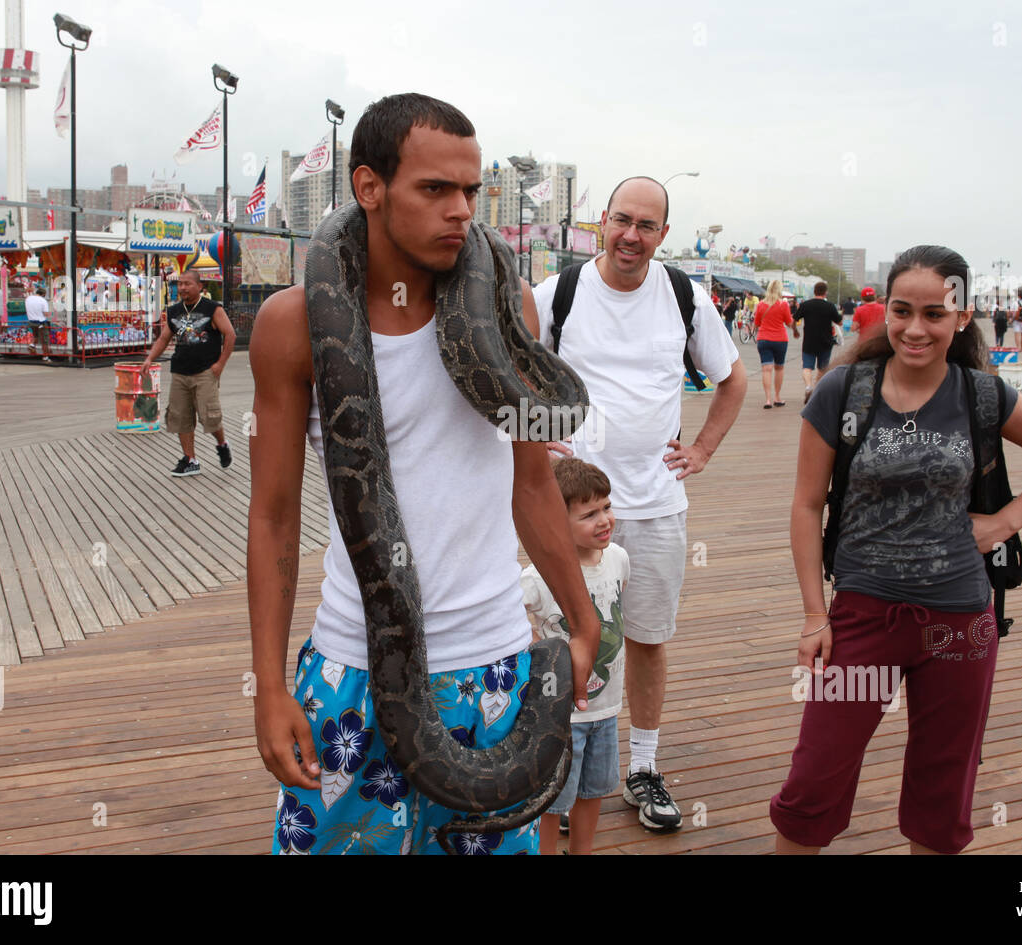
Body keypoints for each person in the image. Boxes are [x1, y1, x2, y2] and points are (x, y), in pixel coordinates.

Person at [247, 92, 599, 856]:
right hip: (350, 669)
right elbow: (272, 515)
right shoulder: (291, 323)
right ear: (369, 188)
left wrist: (582, 616)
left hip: (496, 664)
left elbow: (532, 482)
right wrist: (270, 685)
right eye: (435, 190)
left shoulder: (513, 315)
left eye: (470, 191)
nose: (461, 211)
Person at [771, 244, 1022, 855]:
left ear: (961, 317)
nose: (915, 329)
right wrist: (816, 614)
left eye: (934, 314)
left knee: (943, 792)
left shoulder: (982, 395)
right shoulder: (843, 391)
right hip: (863, 616)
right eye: (901, 311)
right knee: (814, 781)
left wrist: (1002, 523)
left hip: (960, 623)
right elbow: (807, 506)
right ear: (884, 311)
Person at [531, 175, 746, 831]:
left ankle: (643, 768)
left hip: (653, 504)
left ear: (662, 234)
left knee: (647, 637)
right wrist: (534, 444)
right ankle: (561, 772)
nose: (631, 235)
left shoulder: (685, 296)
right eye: (622, 220)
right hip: (567, 506)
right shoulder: (557, 292)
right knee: (559, 633)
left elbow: (732, 378)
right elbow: (509, 373)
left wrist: (703, 447)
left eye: (646, 225)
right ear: (601, 221)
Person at [522, 458, 628, 855]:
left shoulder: (618, 559)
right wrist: (534, 639)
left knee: (595, 789)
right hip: (561, 717)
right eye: (588, 515)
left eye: (606, 508)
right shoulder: (537, 575)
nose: (604, 521)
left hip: (607, 709)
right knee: (552, 800)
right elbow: (514, 607)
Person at [140, 269, 235, 477]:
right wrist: (149, 359)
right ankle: (190, 459)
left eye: (187, 284)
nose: (182, 288)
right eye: (180, 284)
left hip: (205, 372)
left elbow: (230, 334)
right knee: (180, 416)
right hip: (180, 372)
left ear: (199, 286)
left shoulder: (212, 309)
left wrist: (220, 365)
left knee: (209, 416)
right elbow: (164, 338)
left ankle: (222, 444)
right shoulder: (174, 311)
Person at [795, 280, 842, 403]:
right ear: (825, 293)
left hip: (809, 341)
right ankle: (817, 391)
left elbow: (794, 319)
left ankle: (808, 386)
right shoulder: (830, 306)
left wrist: (795, 331)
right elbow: (839, 322)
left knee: (807, 367)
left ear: (814, 291)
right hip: (826, 342)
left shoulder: (806, 305)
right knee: (822, 368)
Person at [754, 279, 793, 407]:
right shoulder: (784, 305)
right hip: (780, 339)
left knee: (766, 369)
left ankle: (768, 399)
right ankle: (777, 397)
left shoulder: (761, 304)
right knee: (779, 368)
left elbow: (757, 323)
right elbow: (788, 322)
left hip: (764, 338)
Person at [25, 285, 53, 362]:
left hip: (31, 322)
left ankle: (32, 345)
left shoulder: (28, 299)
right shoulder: (43, 301)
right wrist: (50, 314)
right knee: (45, 341)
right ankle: (45, 357)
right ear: (43, 294)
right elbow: (46, 314)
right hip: (41, 323)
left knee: (36, 336)